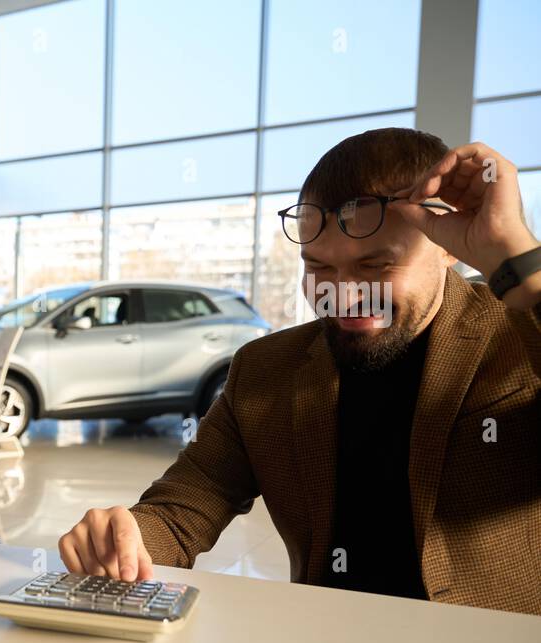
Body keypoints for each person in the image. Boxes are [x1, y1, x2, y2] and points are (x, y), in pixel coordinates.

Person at [59, 128, 541, 615]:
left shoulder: (521, 335)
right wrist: (126, 538)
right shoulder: (266, 370)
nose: (345, 295)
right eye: (319, 266)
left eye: (375, 265)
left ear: (447, 248)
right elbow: (183, 510)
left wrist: (515, 255)